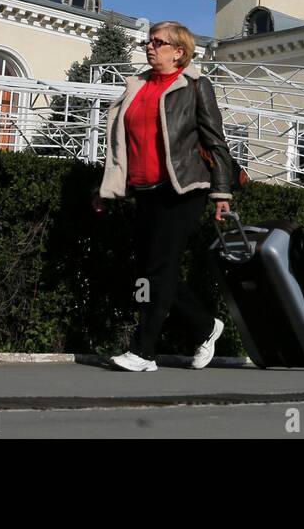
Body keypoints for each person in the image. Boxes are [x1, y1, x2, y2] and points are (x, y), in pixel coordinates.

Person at [94, 21, 241, 372]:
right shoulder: (137, 86)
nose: (150, 47)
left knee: (159, 268)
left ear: (179, 51)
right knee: (150, 272)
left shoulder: (194, 87)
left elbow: (215, 141)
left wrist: (222, 192)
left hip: (183, 189)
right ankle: (207, 326)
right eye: (149, 41)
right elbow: (119, 147)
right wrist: (105, 188)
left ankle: (143, 352)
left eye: (159, 42)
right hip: (144, 190)